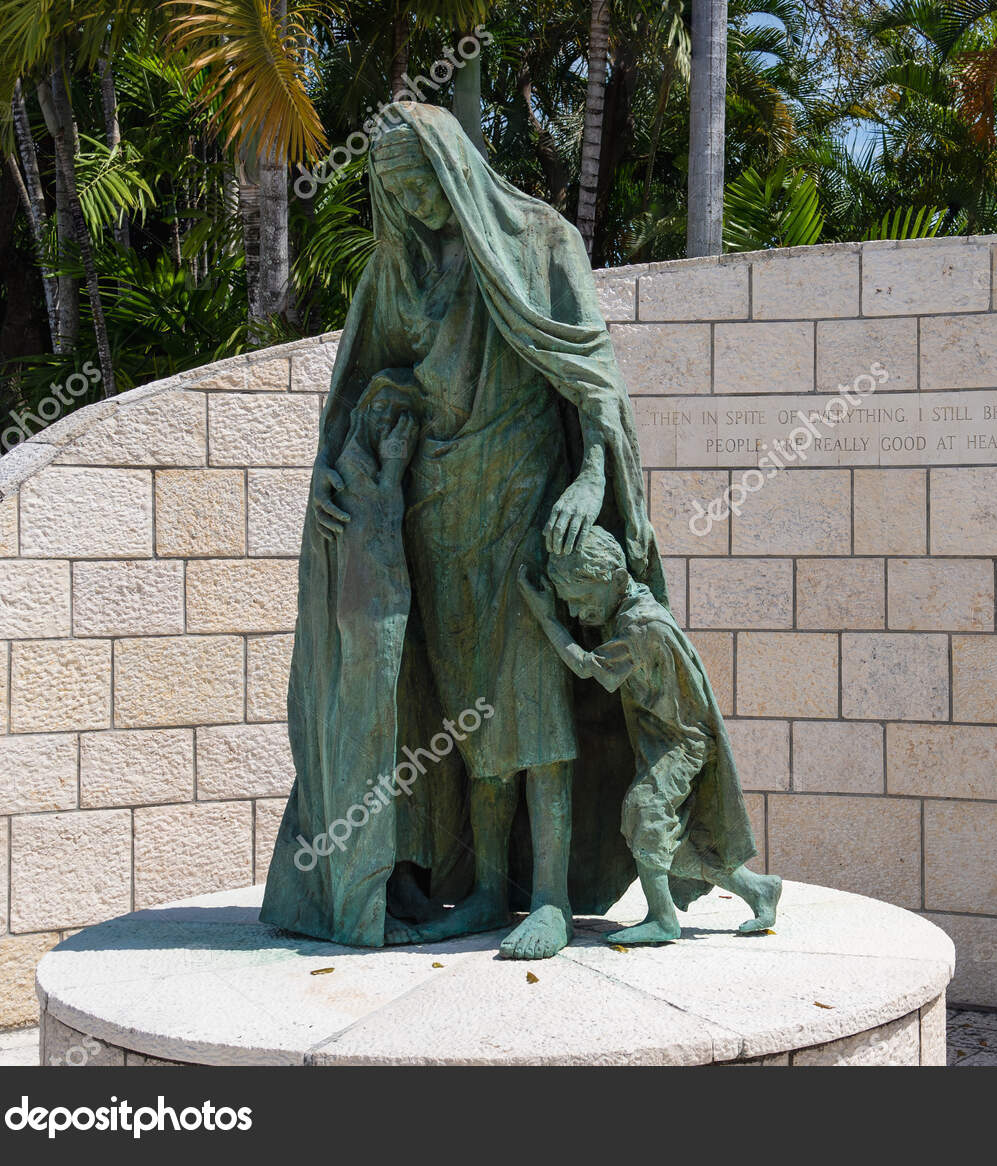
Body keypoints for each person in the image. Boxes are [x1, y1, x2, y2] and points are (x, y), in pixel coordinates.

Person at [261, 103, 690, 958]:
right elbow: (359, 387)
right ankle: (491, 889)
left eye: (421, 183)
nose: (413, 204)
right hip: (436, 513)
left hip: (529, 499)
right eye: (394, 191)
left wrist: (593, 476)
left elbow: (593, 376)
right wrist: (336, 472)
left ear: (452, 163)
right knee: (469, 712)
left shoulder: (541, 239)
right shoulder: (398, 270)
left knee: (533, 698)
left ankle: (552, 897)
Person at [518, 526, 778, 944]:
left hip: (681, 742)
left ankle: (662, 919)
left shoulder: (640, 625)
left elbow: (585, 666)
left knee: (645, 811)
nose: (578, 614)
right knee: (670, 839)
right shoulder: (629, 606)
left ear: (615, 579)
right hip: (660, 738)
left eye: (581, 600)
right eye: (570, 605)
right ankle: (759, 889)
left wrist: (546, 616)